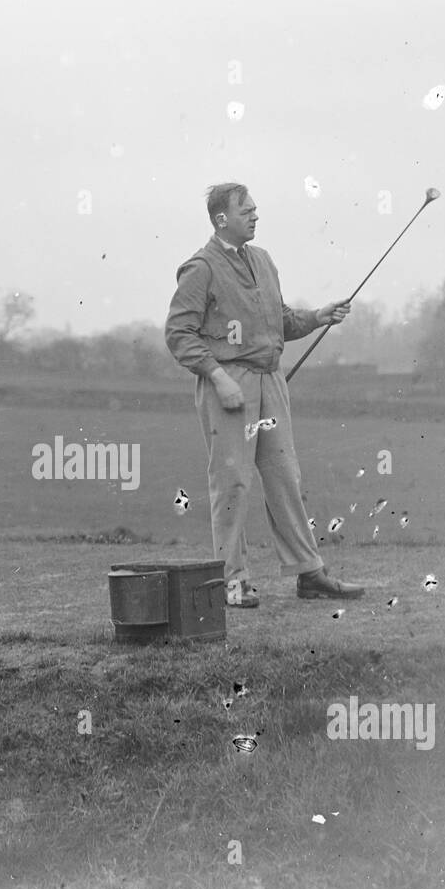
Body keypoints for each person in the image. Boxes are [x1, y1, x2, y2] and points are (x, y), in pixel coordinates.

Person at [164, 183, 365, 608]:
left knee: (284, 477)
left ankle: (309, 573)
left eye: (256, 210)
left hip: (270, 381)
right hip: (228, 384)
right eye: (246, 212)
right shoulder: (199, 268)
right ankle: (230, 582)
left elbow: (280, 321)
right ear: (221, 219)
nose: (255, 217)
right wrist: (218, 377)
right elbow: (179, 335)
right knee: (232, 483)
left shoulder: (264, 261)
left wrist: (317, 317)